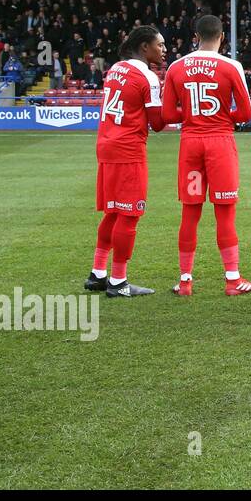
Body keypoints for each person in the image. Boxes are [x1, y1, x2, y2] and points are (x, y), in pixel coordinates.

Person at [161, 14, 251, 296]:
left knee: (190, 212)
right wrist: (219, 114)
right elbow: (244, 113)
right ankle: (232, 281)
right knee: (225, 213)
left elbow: (168, 115)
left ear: (196, 37)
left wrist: (193, 114)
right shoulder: (231, 66)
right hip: (219, 142)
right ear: (221, 37)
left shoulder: (176, 67)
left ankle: (184, 282)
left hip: (191, 142)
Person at [85, 26, 167, 298]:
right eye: (159, 44)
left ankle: (98, 274)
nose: (163, 49)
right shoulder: (148, 77)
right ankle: (118, 281)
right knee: (129, 215)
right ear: (145, 47)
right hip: (128, 150)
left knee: (113, 212)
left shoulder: (116, 68)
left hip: (106, 144)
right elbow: (156, 123)